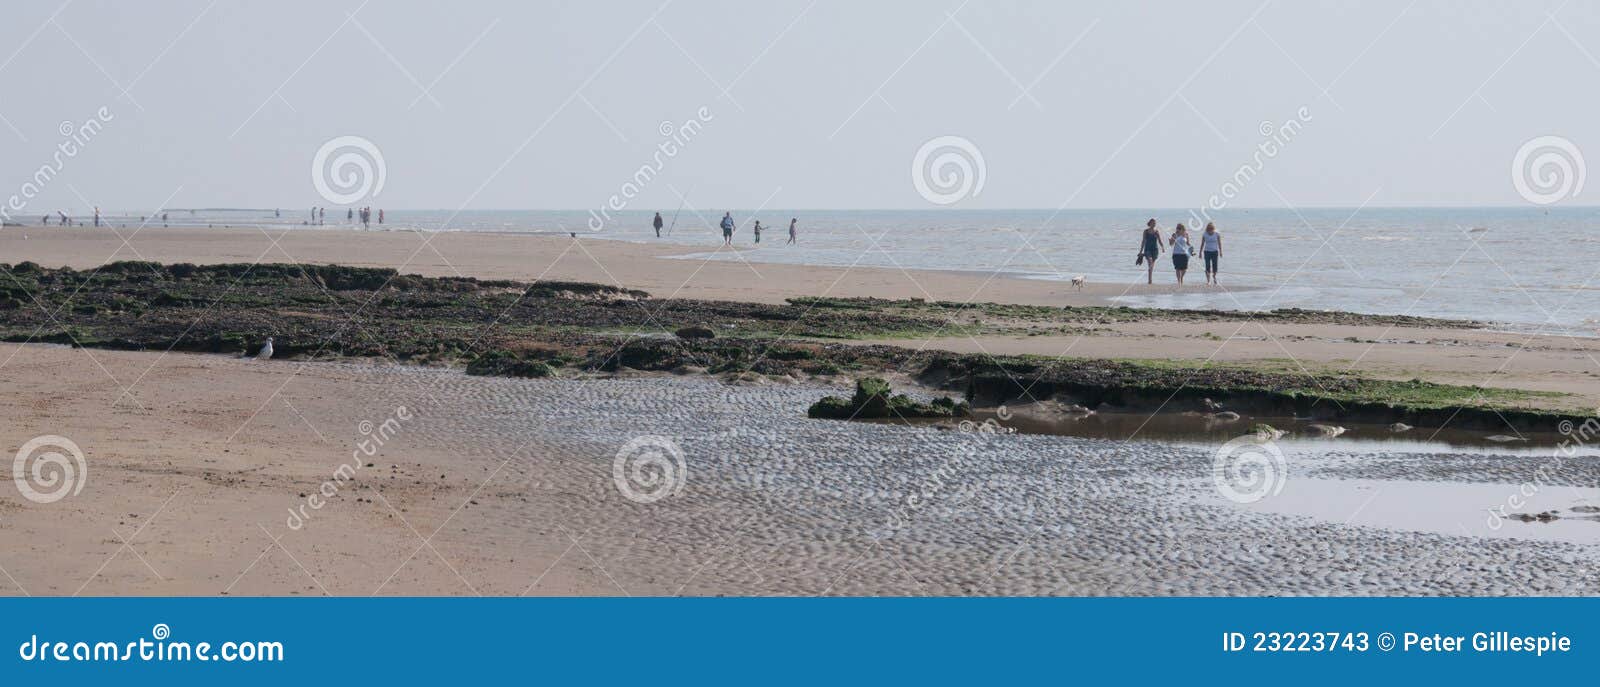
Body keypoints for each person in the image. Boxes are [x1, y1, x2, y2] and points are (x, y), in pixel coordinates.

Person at [1137, 218, 1164, 285]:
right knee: (1150, 262)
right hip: (1147, 249)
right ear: (1150, 223)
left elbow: (1159, 240)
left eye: (1155, 223)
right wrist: (1140, 251)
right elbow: (1143, 241)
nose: (1154, 224)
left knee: (1151, 265)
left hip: (1155, 250)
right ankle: (1150, 280)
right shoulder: (1146, 231)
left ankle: (1150, 279)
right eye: (1153, 223)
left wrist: (1162, 247)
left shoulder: (1156, 232)